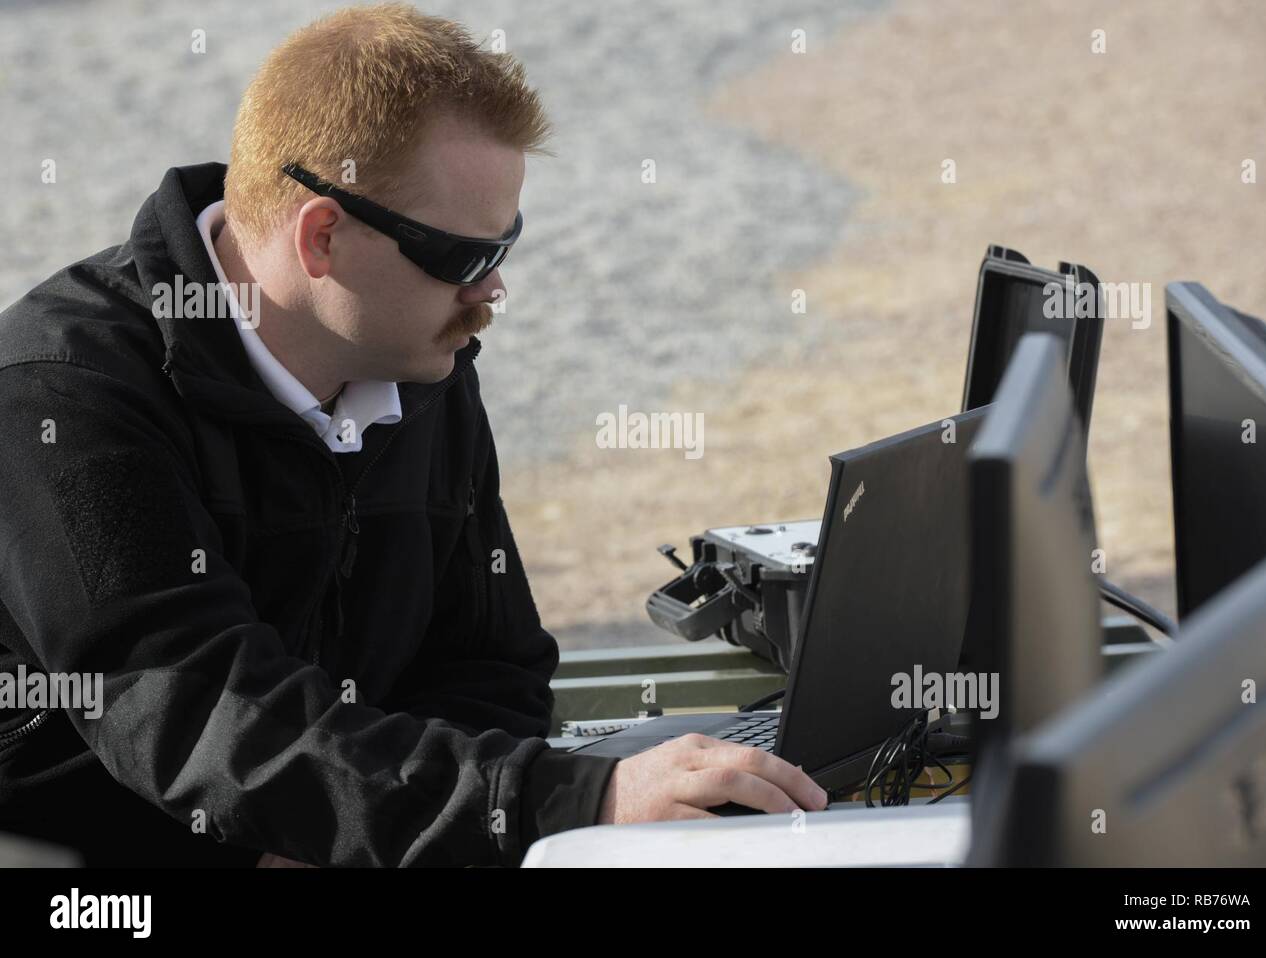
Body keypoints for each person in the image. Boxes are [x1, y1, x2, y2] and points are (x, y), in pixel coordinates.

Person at [0, 3, 825, 868]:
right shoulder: (60, 400)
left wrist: (361, 833)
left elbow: (488, 666)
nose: (493, 291)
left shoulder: (414, 354)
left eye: (507, 245)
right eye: (463, 258)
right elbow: (198, 712)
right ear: (323, 236)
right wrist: (578, 802)